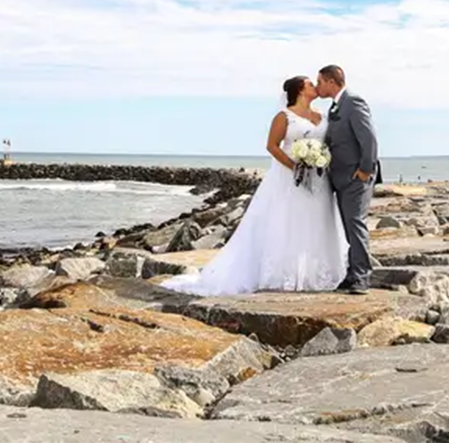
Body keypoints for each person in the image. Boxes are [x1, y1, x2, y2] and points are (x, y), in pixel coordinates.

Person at [162, 76, 347, 296]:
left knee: (317, 222)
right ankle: (285, 275)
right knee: (288, 223)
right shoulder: (284, 117)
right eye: (310, 84)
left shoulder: (322, 116)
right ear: (299, 90)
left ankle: (315, 273)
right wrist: (294, 166)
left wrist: (320, 159)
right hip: (289, 178)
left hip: (318, 179)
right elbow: (272, 145)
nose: (315, 86)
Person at [315, 65, 380, 294]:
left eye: (320, 82)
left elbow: (369, 138)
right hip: (340, 177)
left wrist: (365, 170)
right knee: (348, 226)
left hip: (356, 176)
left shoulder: (353, 102)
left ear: (332, 82)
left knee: (355, 225)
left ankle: (362, 278)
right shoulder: (336, 106)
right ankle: (352, 275)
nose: (318, 86)